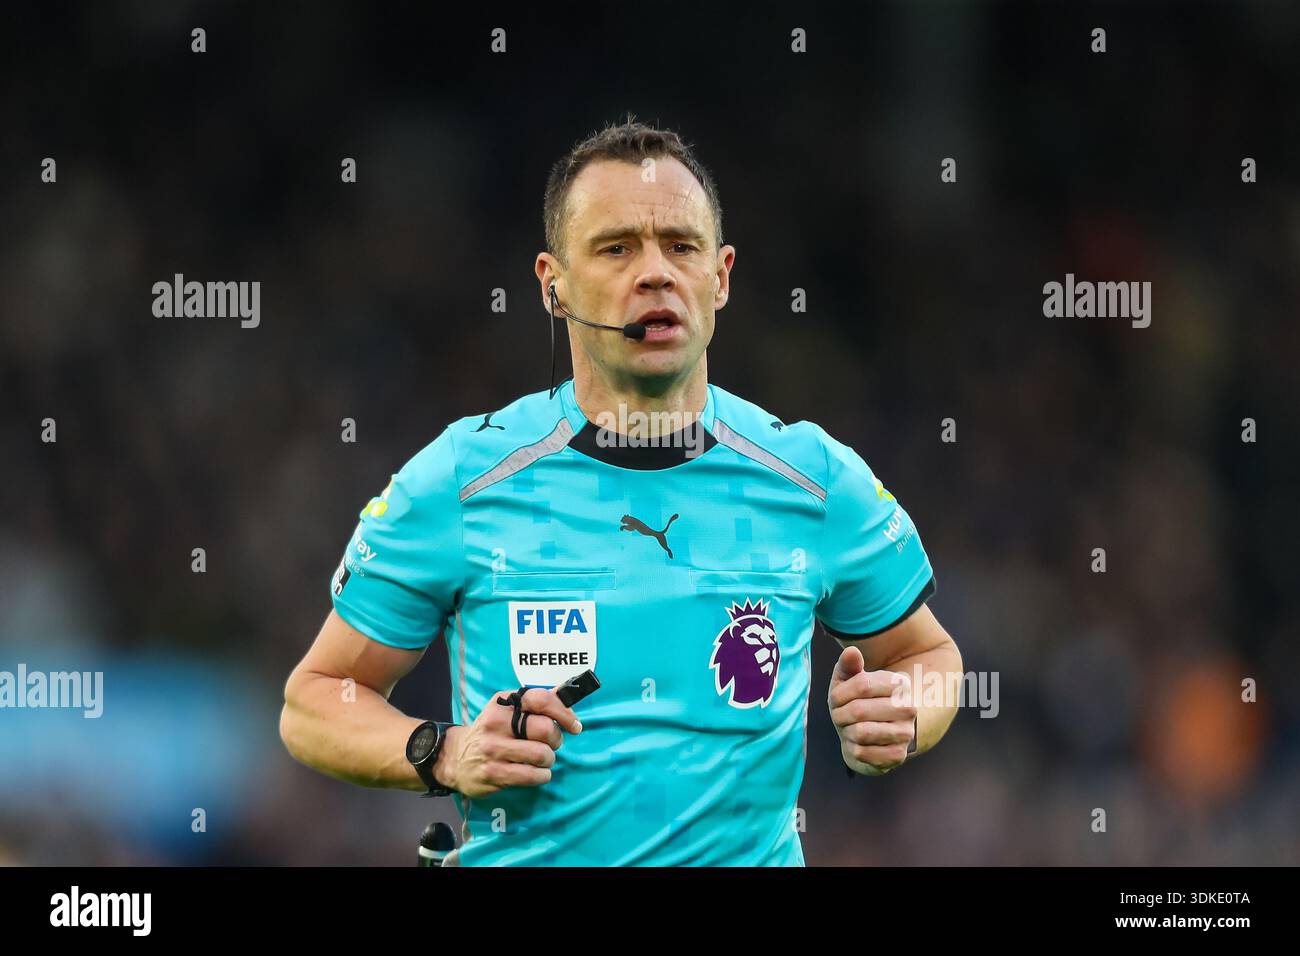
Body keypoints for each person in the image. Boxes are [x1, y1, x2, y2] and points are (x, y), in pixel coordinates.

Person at [279, 119, 964, 865]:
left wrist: (904, 711)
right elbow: (313, 701)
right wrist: (440, 752)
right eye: (616, 248)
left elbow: (927, 655)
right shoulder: (463, 480)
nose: (655, 273)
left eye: (681, 246)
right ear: (554, 286)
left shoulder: (813, 479)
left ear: (721, 276)